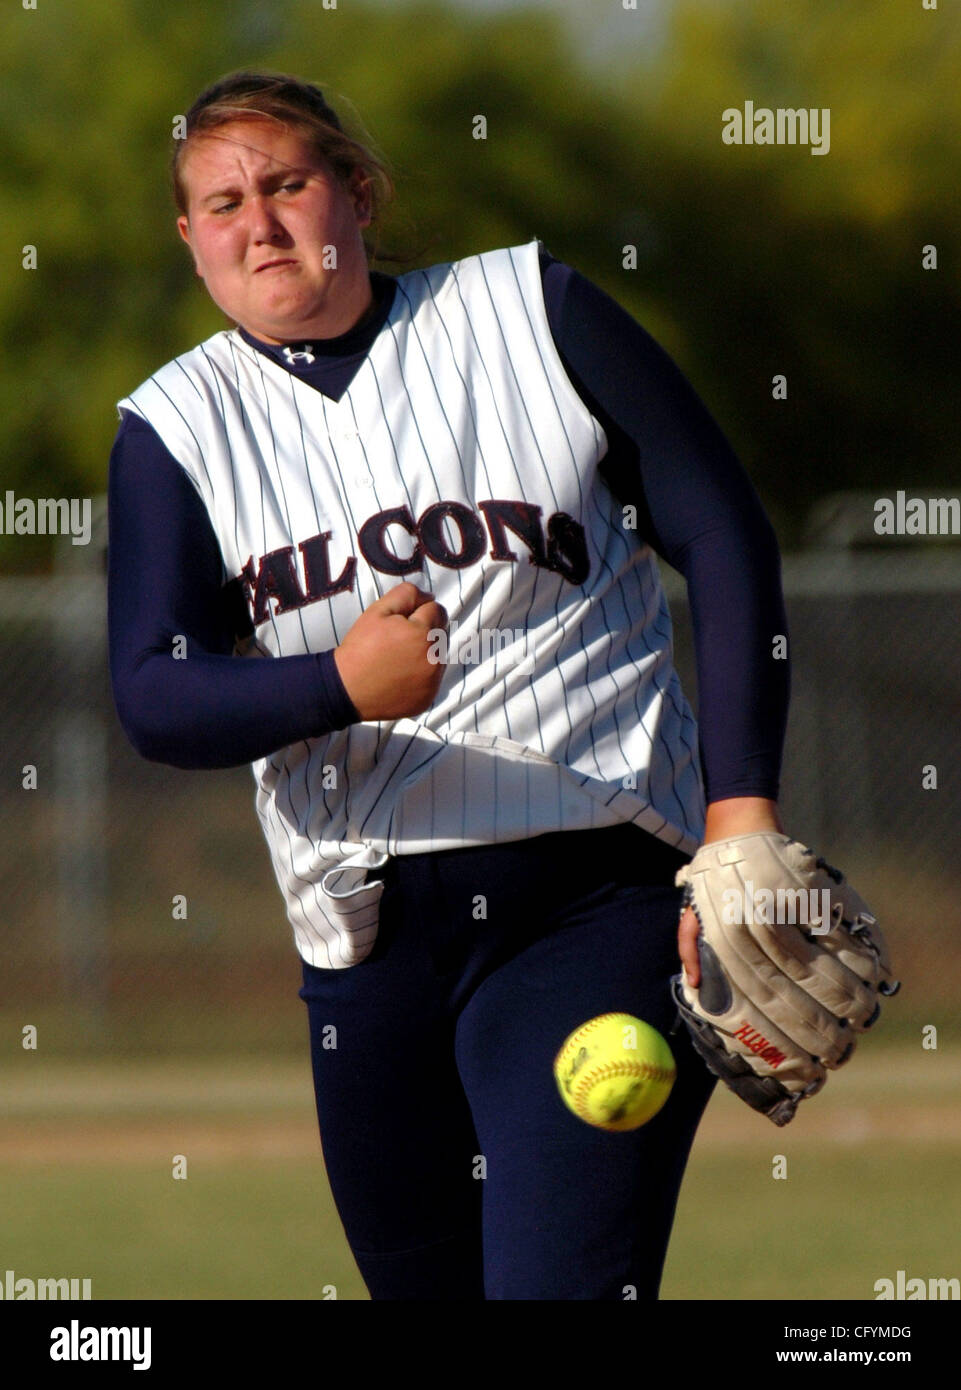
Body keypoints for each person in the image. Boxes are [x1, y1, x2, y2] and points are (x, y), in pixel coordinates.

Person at [107, 70, 791, 1301]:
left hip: (596, 897)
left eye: (286, 183)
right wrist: (335, 683)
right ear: (190, 241)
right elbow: (153, 693)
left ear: (355, 193)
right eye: (219, 203)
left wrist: (741, 812)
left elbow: (721, 528)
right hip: (366, 952)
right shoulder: (179, 425)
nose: (256, 222)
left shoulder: (529, 312)